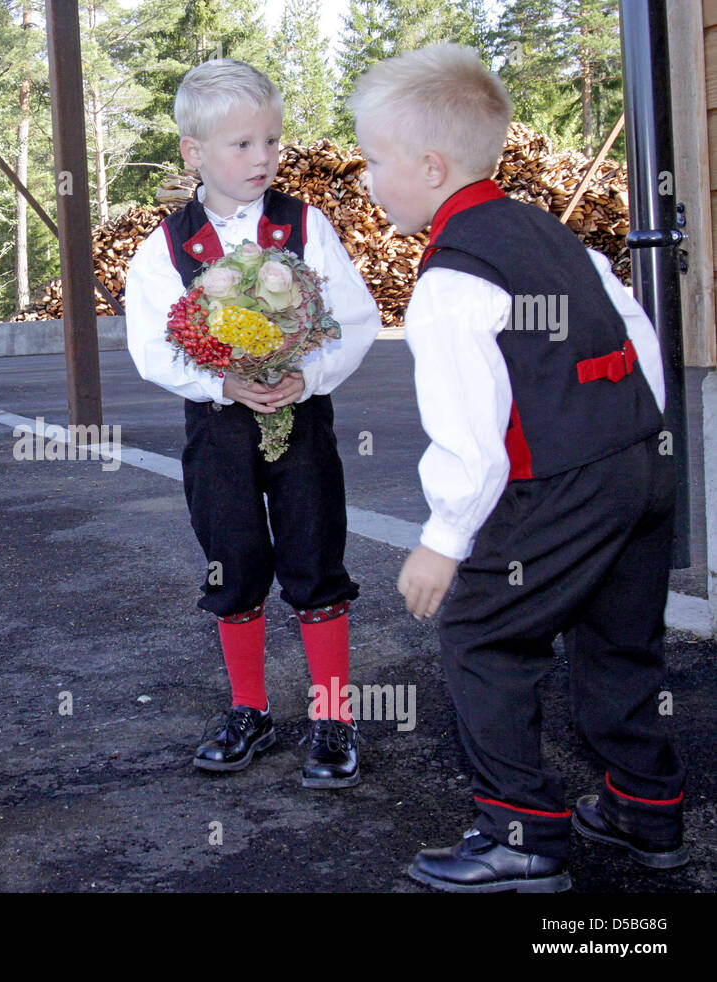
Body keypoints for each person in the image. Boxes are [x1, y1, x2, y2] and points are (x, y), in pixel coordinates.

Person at [349, 44, 685, 892]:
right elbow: (635, 333)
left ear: (430, 166)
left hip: (557, 487)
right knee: (618, 639)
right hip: (636, 463)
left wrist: (443, 539)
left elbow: (469, 432)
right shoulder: (545, 229)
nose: (368, 177)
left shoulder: (452, 275)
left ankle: (521, 833)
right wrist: (639, 440)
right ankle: (644, 807)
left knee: (484, 635)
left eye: (375, 160)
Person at [126, 59, 381, 787]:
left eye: (271, 139)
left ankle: (333, 716)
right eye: (241, 144)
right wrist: (219, 380)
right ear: (192, 152)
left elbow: (355, 321)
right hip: (218, 426)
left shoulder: (305, 226)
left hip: (300, 418)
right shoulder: (166, 248)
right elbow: (150, 347)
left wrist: (311, 373)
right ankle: (250, 709)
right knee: (232, 562)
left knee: (315, 559)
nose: (263, 156)